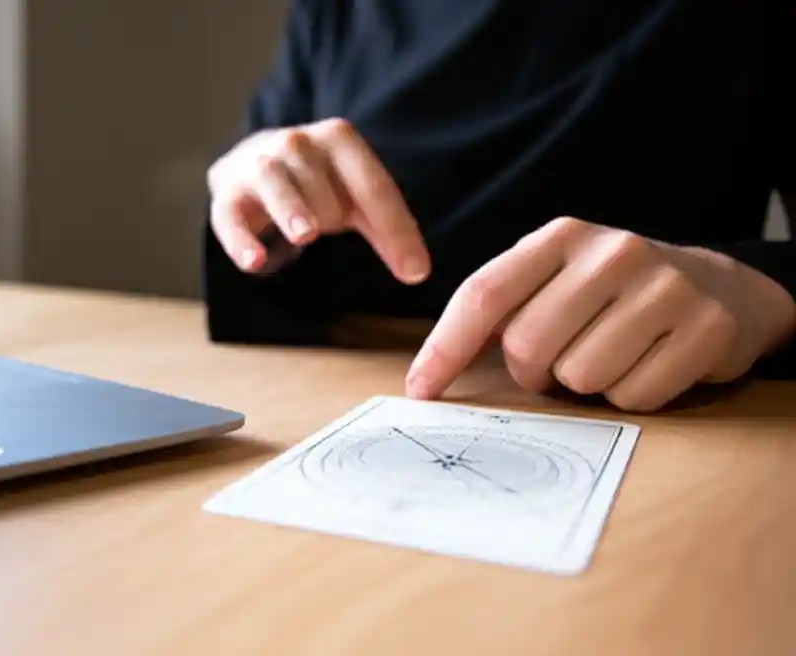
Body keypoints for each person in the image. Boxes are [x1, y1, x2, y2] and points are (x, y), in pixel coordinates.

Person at [203, 0, 793, 412]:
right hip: (335, 394)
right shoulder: (338, 9)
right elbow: (265, 223)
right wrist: (260, 194)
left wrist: (756, 291)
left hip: (657, 412)